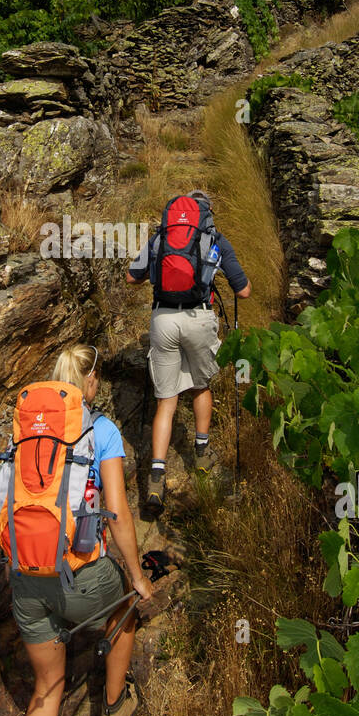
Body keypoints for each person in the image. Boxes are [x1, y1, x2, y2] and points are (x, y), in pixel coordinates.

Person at [11, 343, 153, 716]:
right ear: (90, 382)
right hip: (80, 575)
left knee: (45, 689)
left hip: (26, 580)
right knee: (123, 614)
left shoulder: (26, 434)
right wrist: (137, 578)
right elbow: (115, 515)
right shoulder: (103, 432)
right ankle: (114, 712)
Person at [126, 190, 251, 512]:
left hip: (163, 319)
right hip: (198, 317)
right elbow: (245, 291)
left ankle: (156, 475)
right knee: (200, 386)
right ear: (207, 213)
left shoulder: (160, 238)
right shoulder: (215, 239)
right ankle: (201, 452)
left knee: (165, 400)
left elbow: (131, 277)